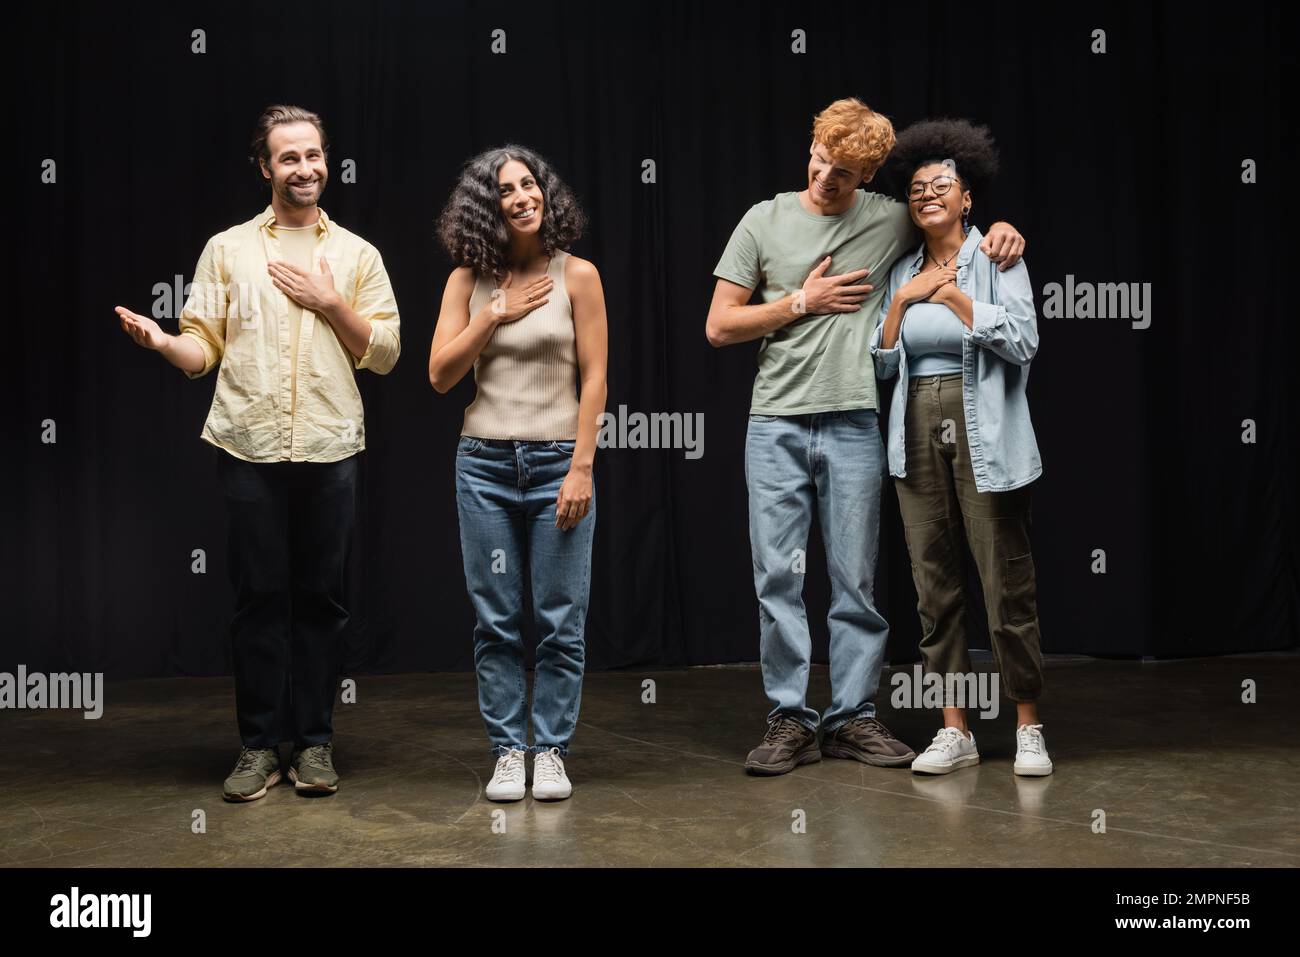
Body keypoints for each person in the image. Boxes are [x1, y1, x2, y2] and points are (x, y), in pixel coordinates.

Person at [707, 97, 1026, 776]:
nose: (828, 179)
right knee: (777, 580)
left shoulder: (890, 221)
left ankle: (851, 716)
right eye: (822, 161)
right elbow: (718, 325)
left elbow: (954, 228)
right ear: (812, 146)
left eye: (846, 173)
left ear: (870, 176)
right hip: (774, 424)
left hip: (855, 421)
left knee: (856, 581)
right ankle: (790, 718)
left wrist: (1001, 230)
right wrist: (801, 302)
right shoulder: (762, 220)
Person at [115, 105, 401, 800]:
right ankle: (257, 747)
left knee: (323, 601)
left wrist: (332, 301)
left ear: (325, 160)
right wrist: (162, 343)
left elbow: (386, 354)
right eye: (290, 158)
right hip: (248, 449)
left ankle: (314, 743)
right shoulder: (228, 250)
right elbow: (201, 347)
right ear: (266, 167)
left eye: (314, 155)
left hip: (331, 448)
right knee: (259, 601)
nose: (305, 168)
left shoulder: (357, 255)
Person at [870, 118, 1052, 776]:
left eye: (940, 185)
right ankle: (956, 729)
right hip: (916, 429)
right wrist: (902, 305)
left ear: (967, 196)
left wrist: (952, 297)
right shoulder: (900, 270)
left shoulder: (998, 256)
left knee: (1005, 583)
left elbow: (1025, 341)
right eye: (915, 189)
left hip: (987, 434)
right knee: (935, 587)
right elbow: (884, 367)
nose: (926, 196)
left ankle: (1028, 723)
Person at [430, 145, 607, 802]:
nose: (523, 196)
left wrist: (581, 467)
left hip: (559, 459)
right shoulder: (466, 281)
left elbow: (596, 379)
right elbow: (441, 373)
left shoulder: (579, 276)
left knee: (560, 616)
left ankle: (551, 749)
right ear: (489, 206)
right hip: (484, 468)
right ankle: (509, 748)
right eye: (506, 190)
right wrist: (493, 314)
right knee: (497, 618)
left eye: (530, 183)